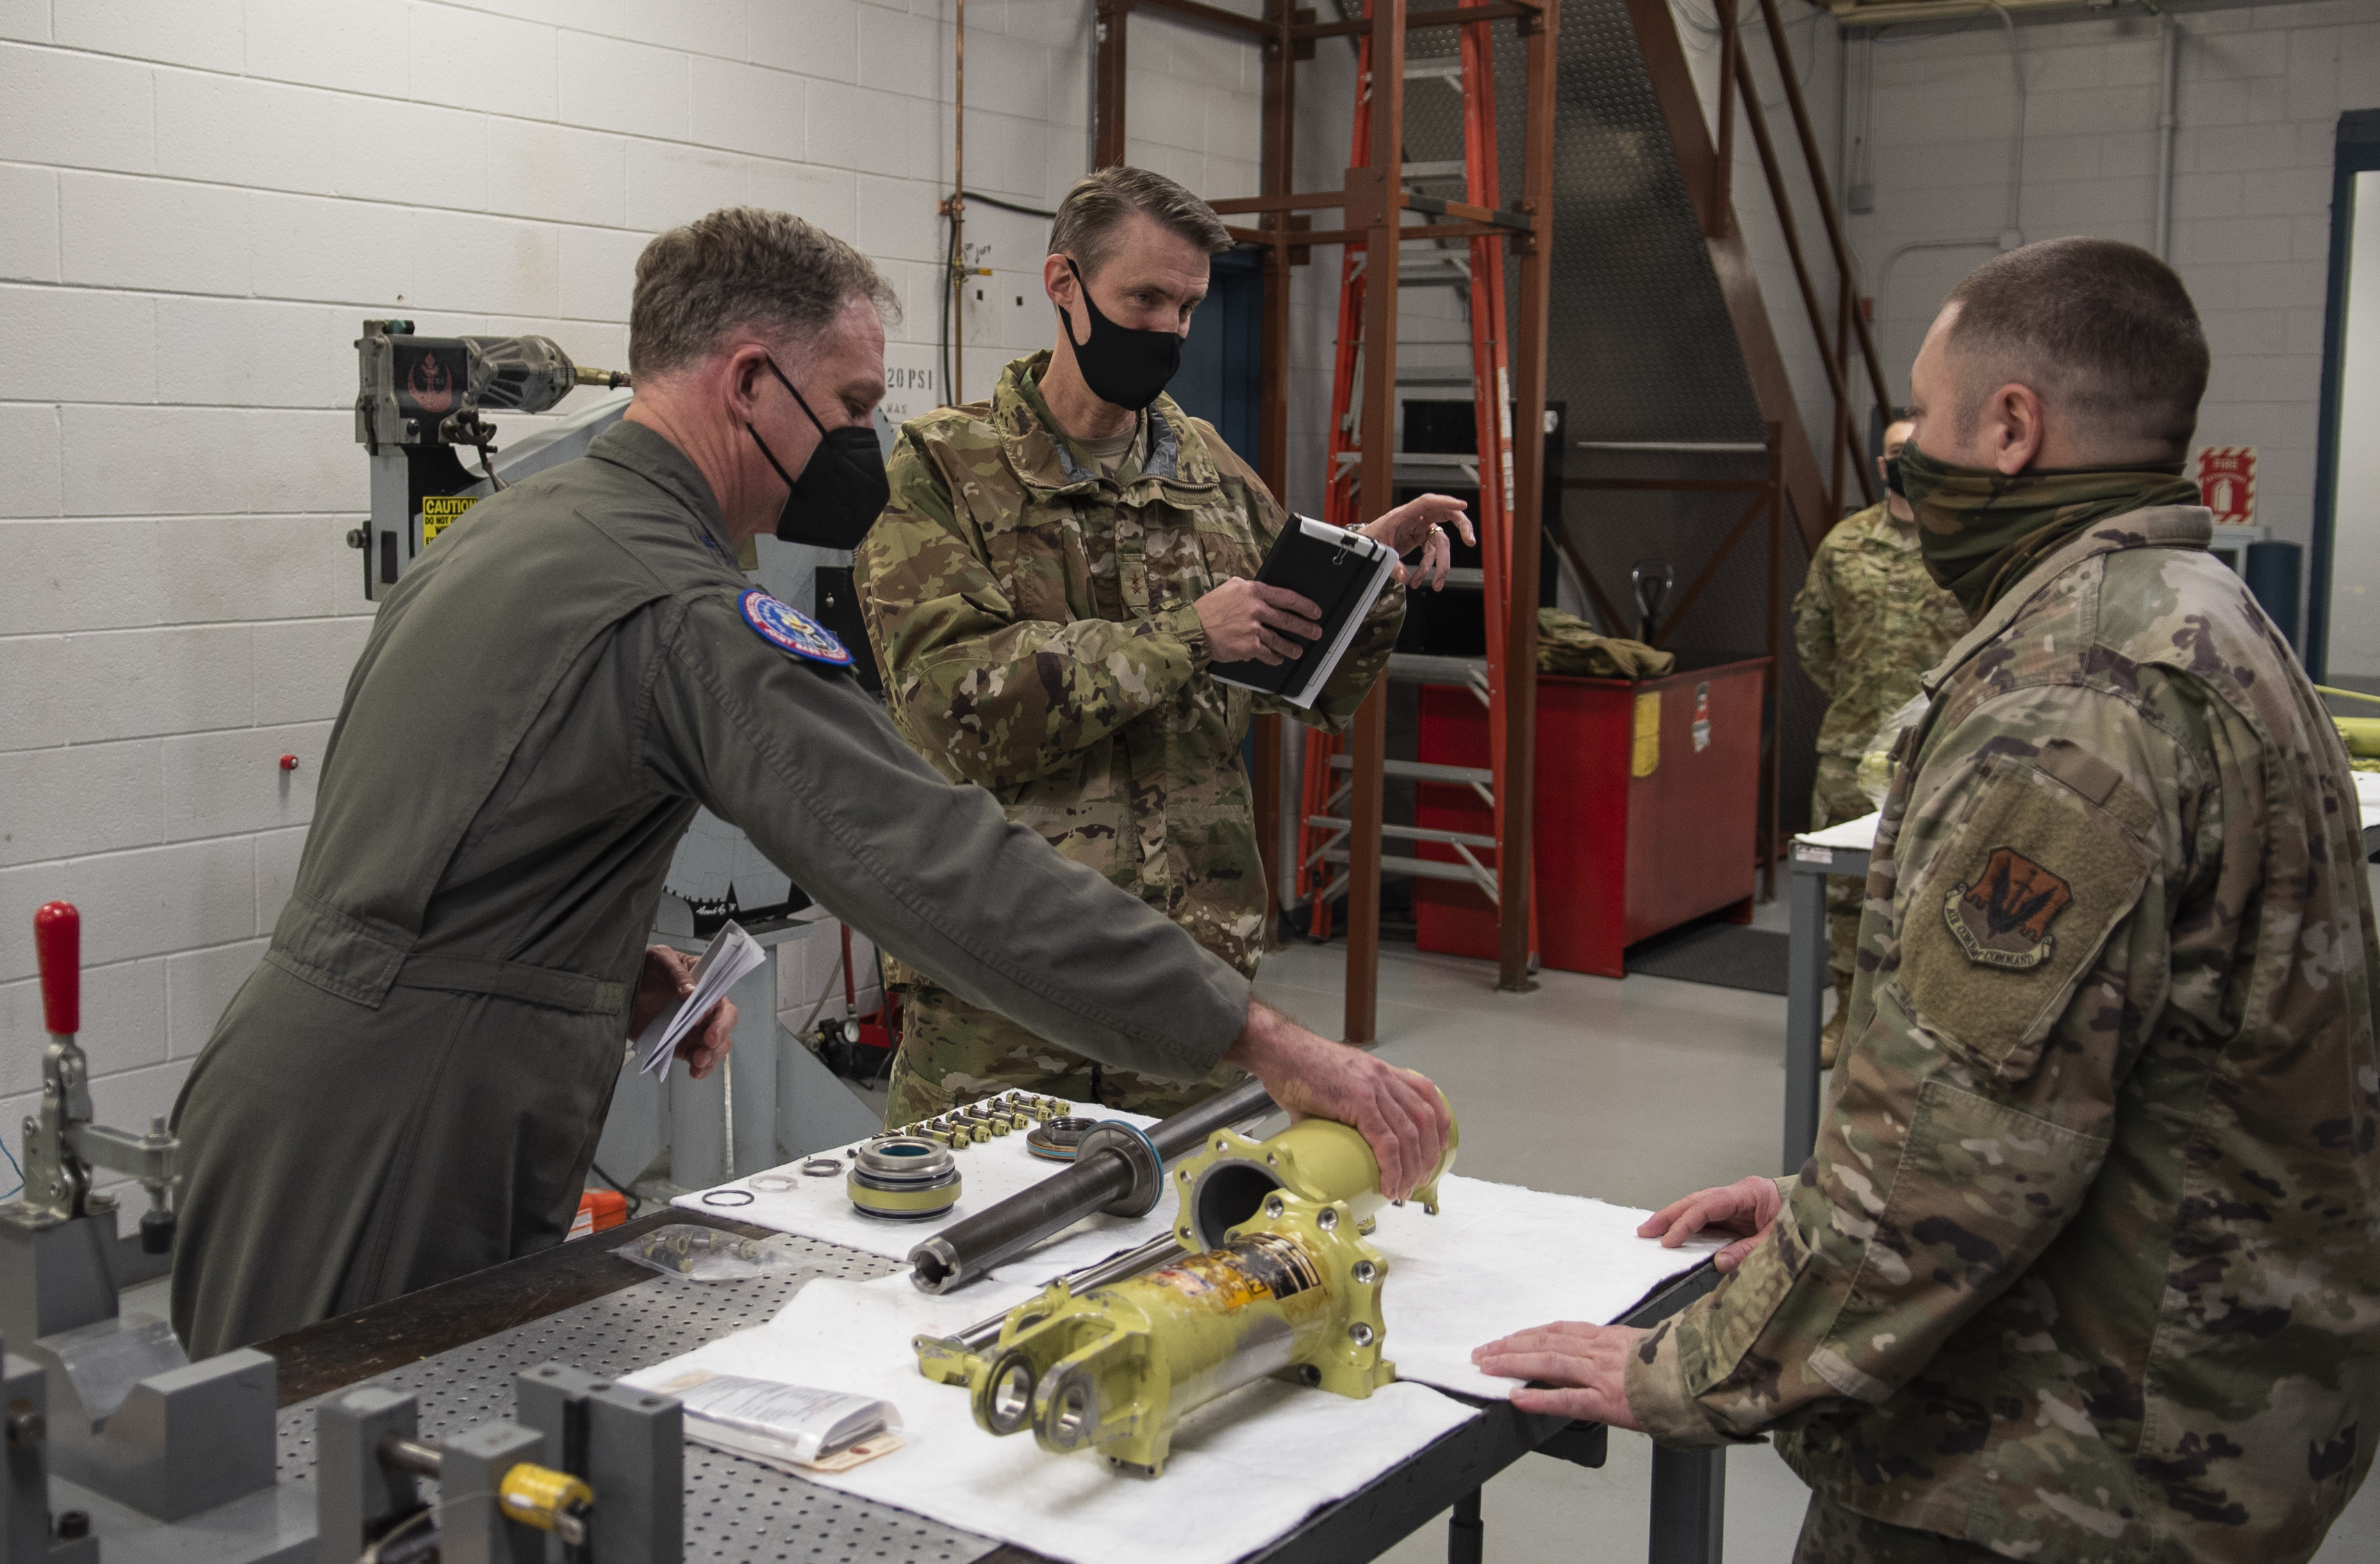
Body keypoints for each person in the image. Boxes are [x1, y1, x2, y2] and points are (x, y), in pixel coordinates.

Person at [169, 208, 1449, 1358]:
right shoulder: (683, 600)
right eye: (845, 407)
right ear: (746, 382)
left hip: (303, 1092)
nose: (865, 445)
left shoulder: (520, 526)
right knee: (346, 1496)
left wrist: (604, 961)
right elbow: (935, 860)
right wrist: (1259, 1037)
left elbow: (437, 823)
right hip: (407, 1137)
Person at [1473, 238, 2377, 1561]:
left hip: (2058, 1467)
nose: (1911, 463)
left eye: (1928, 411)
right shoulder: (2205, 618)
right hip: (2208, 1401)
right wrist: (1821, 1196)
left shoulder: (2075, 691)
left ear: (2010, 427)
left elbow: (1956, 1158)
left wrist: (1687, 1368)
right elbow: (2112, 1070)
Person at [854, 167, 1471, 1122]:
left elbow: (1296, 674)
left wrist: (1360, 579)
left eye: (1187, 306)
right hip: (1003, 990)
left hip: (1192, 986)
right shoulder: (943, 467)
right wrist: (1184, 635)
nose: (1171, 331)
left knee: (1177, 1256)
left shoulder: (1204, 466)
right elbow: (954, 707)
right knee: (973, 1249)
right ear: (1063, 283)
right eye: (1144, 298)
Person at [1791, 413, 1969, 1067]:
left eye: (1916, 450)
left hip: (1944, 749)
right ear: (1879, 461)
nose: (1904, 461)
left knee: (1938, 885)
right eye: (1895, 451)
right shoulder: (1845, 545)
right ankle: (1846, 1014)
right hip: (1852, 746)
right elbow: (1814, 638)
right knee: (1843, 895)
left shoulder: (1959, 540)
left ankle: (1924, 1025)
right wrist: (1860, 697)